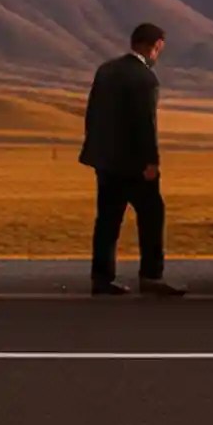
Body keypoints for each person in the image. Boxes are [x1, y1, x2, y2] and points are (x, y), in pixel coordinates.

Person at [79, 23, 186, 297]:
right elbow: (145, 124)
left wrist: (96, 151)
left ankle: (101, 279)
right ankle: (151, 276)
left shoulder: (106, 71)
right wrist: (151, 161)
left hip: (105, 162)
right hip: (135, 166)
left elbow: (92, 114)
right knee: (152, 216)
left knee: (107, 221)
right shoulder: (145, 79)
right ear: (155, 45)